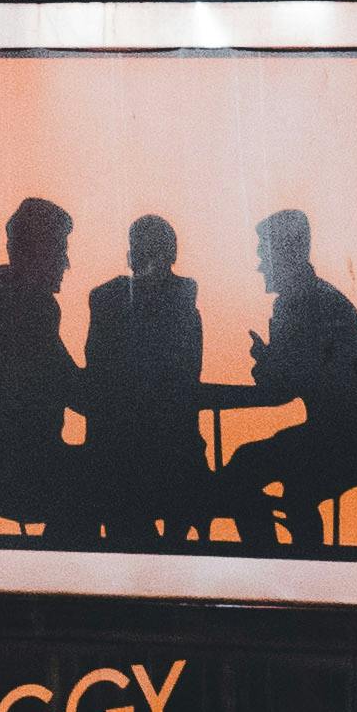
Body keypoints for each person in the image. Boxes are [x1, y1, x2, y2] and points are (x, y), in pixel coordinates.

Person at [209, 207, 357, 549]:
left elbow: (279, 390)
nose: (260, 265)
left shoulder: (300, 305)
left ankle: (273, 560)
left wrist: (263, 361)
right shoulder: (322, 298)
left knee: (243, 469)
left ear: (286, 253)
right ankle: (301, 559)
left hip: (344, 441)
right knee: (289, 483)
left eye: (264, 254)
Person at [0, 196, 88, 537]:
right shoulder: (30, 304)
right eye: (61, 249)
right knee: (105, 477)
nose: (67, 263)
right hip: (11, 472)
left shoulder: (0, 293)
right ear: (40, 250)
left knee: (91, 476)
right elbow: (74, 391)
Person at [77, 213, 208, 545]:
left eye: (137, 250)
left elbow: (95, 367)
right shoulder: (184, 310)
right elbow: (188, 378)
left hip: (125, 458)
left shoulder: (107, 300)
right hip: (172, 459)